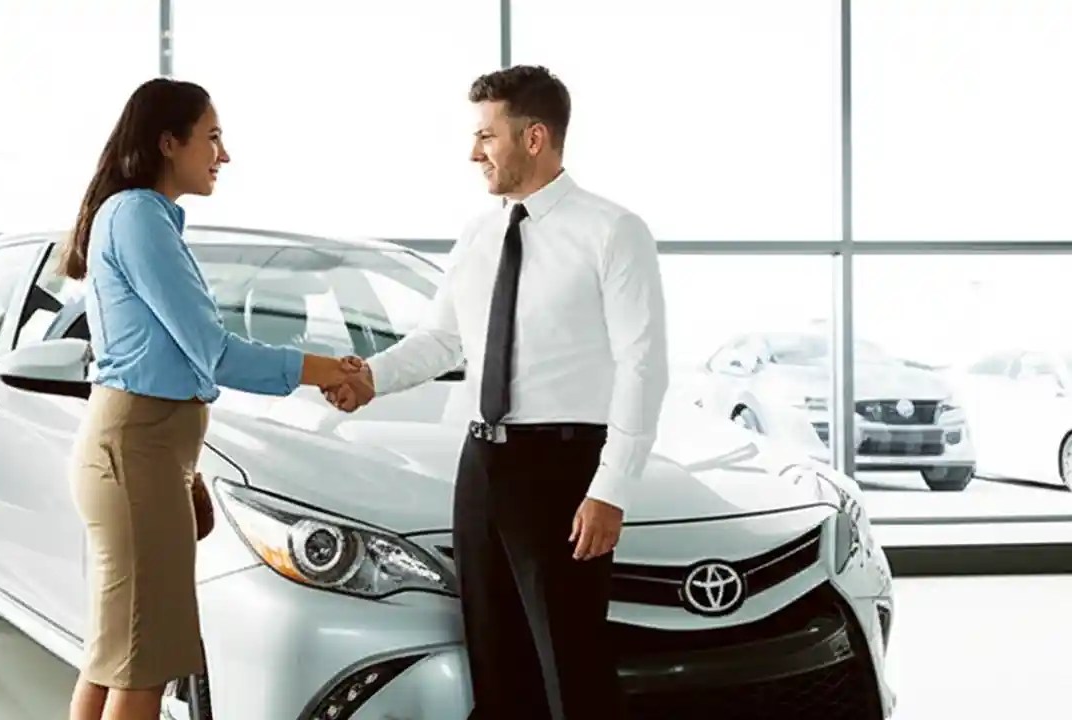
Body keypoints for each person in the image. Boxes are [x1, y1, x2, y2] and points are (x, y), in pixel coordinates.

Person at [327, 65, 668, 719]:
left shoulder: (613, 232)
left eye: (487, 136)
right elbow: (442, 340)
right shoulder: (480, 235)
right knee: (494, 657)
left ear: (534, 137)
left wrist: (611, 490)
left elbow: (643, 365)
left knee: (570, 663)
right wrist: (371, 379)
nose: (472, 152)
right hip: (482, 464)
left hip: (565, 467)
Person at [58, 77, 361, 720]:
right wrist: (326, 367)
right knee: (143, 662)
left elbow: (174, 361)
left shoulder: (134, 214)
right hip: (136, 453)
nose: (223, 155)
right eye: (213, 137)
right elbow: (212, 352)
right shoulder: (138, 215)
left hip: (144, 451)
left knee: (116, 653)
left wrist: (183, 469)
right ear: (169, 142)